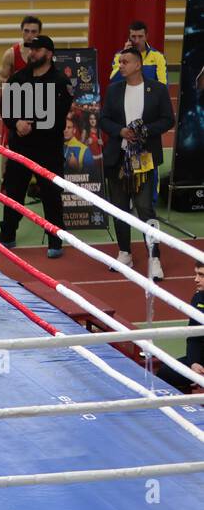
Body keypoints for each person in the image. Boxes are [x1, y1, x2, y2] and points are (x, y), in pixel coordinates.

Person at [97, 46, 176, 281]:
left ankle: (154, 257)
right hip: (117, 158)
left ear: (138, 65)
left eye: (125, 62)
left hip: (144, 159)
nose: (120, 65)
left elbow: (168, 119)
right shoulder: (113, 90)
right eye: (120, 61)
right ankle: (124, 253)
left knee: (145, 209)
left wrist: (144, 131)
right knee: (119, 207)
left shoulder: (158, 90)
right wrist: (120, 131)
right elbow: (103, 119)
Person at [0, 35, 73, 260]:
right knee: (13, 194)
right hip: (20, 148)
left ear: (49, 54)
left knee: (51, 196)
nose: (32, 53)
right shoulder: (18, 78)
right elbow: (6, 108)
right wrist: (16, 123)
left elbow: (59, 118)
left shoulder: (60, 82)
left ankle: (55, 240)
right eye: (31, 49)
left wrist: (33, 125)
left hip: (48, 150)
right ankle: (7, 234)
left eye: (37, 50)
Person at [157, 262, 204, 393]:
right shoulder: (198, 298)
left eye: (201, 275)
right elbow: (193, 335)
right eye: (196, 274)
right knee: (166, 373)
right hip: (201, 359)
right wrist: (194, 363)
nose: (196, 279)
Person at [107, 20, 168, 86]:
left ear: (146, 37)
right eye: (133, 37)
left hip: (149, 94)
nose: (137, 41)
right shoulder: (119, 56)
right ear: (129, 38)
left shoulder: (158, 57)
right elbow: (114, 81)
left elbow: (163, 86)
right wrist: (125, 56)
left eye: (140, 36)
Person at [0, 15, 43, 84]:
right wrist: (17, 83)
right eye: (26, 31)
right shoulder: (11, 54)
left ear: (39, 33)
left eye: (33, 32)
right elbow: (0, 79)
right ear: (21, 31)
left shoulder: (46, 53)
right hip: (18, 93)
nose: (29, 35)